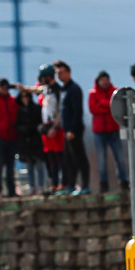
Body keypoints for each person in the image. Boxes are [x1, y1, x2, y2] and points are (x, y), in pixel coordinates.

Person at [19, 65, 65, 193]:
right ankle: (54, 184)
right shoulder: (46, 89)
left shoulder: (57, 91)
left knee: (58, 156)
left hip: (55, 127)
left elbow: (60, 110)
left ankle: (62, 183)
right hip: (46, 126)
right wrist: (23, 88)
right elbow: (35, 89)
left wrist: (55, 126)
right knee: (50, 157)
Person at [88, 71, 128, 193]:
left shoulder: (115, 92)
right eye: (102, 79)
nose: (105, 82)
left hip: (114, 130)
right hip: (99, 131)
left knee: (120, 158)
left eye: (106, 79)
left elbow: (118, 108)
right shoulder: (93, 93)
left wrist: (102, 104)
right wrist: (109, 106)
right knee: (101, 159)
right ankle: (103, 184)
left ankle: (124, 181)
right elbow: (93, 108)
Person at [55, 60, 90, 195]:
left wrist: (72, 130)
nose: (59, 76)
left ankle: (85, 185)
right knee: (69, 159)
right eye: (57, 73)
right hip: (66, 130)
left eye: (61, 73)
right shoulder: (63, 89)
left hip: (74, 130)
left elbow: (77, 111)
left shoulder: (74, 89)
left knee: (80, 157)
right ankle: (70, 184)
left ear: (68, 73)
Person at [15, 90, 45, 195]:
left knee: (39, 164)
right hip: (25, 142)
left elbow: (40, 123)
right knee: (29, 166)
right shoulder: (19, 111)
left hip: (36, 141)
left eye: (26, 96)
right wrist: (24, 129)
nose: (25, 99)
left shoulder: (36, 109)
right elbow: (17, 125)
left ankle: (41, 185)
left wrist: (31, 128)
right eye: (22, 97)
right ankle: (32, 186)